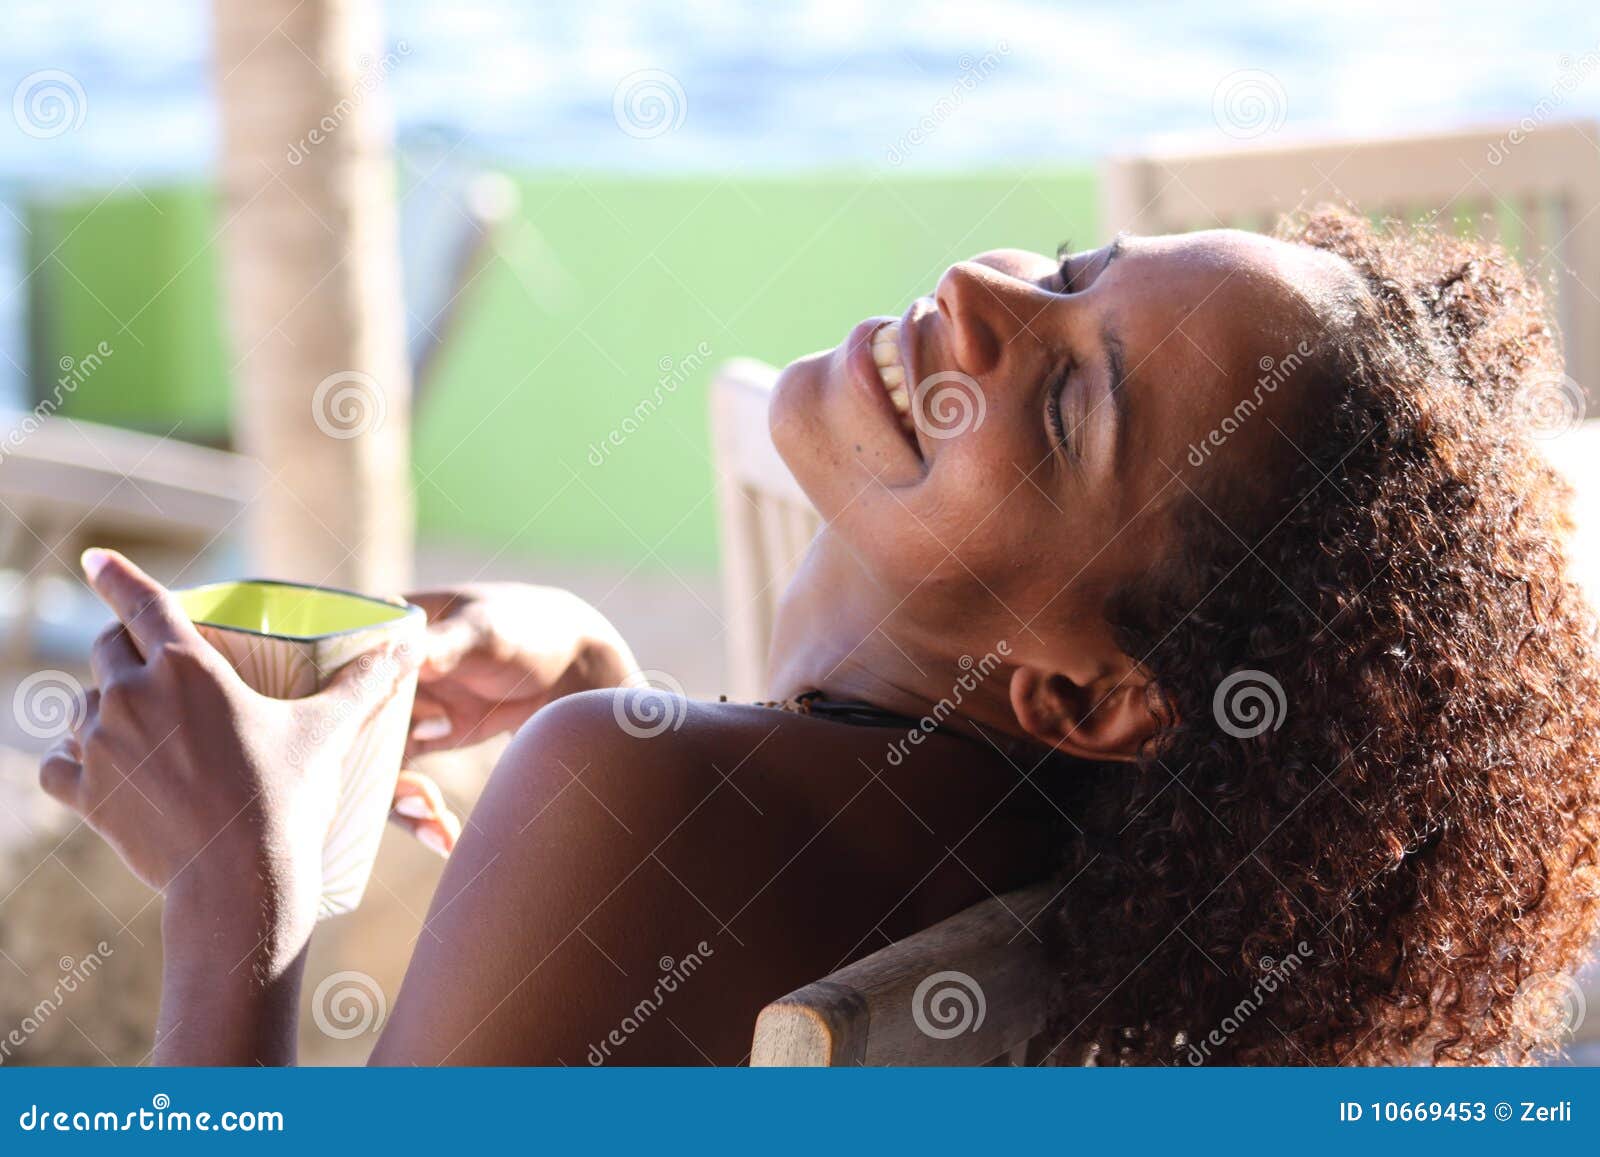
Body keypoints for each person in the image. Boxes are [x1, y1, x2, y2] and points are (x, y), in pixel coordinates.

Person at [41, 207, 1600, 1065]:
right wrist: (608, 685)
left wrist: (233, 878)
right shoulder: (1036, 848)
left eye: (1067, 397)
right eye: (1070, 270)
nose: (979, 290)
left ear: (1086, 688)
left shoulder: (636, 801)